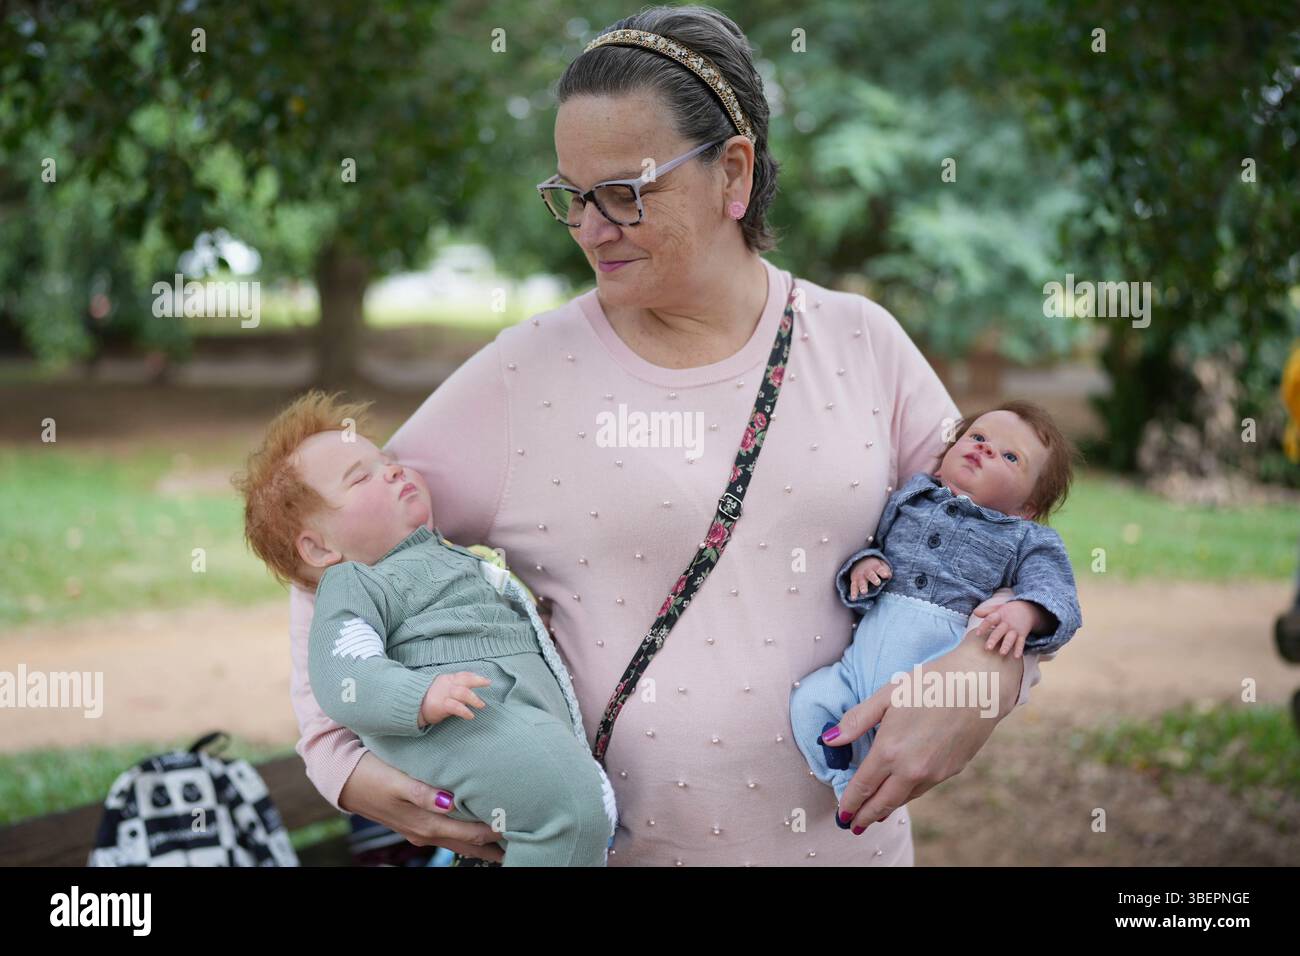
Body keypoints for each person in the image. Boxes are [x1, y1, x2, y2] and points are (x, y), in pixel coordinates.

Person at [288, 5, 1054, 865]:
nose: (589, 228)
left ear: (733, 173)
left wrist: (989, 678)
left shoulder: (863, 345)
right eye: (571, 198)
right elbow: (336, 561)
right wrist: (342, 765)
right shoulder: (522, 376)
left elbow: (1013, 544)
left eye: (624, 193)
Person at [236, 392, 617, 865]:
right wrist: (415, 697)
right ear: (318, 550)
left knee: (575, 812)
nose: (393, 471)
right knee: (570, 813)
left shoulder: (448, 556)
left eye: (388, 462)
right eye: (361, 477)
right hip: (452, 723)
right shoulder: (352, 583)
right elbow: (342, 675)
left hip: (502, 713)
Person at [791, 402, 1083, 806]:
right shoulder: (913, 496)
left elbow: (1060, 598)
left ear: (1026, 507)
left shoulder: (1026, 538)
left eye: (1010, 456)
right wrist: (865, 566)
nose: (985, 449)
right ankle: (841, 776)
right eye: (978, 437)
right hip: (859, 664)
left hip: (934, 664)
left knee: (902, 738)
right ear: (946, 455)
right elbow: (877, 545)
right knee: (809, 700)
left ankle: (864, 779)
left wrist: (1026, 611)